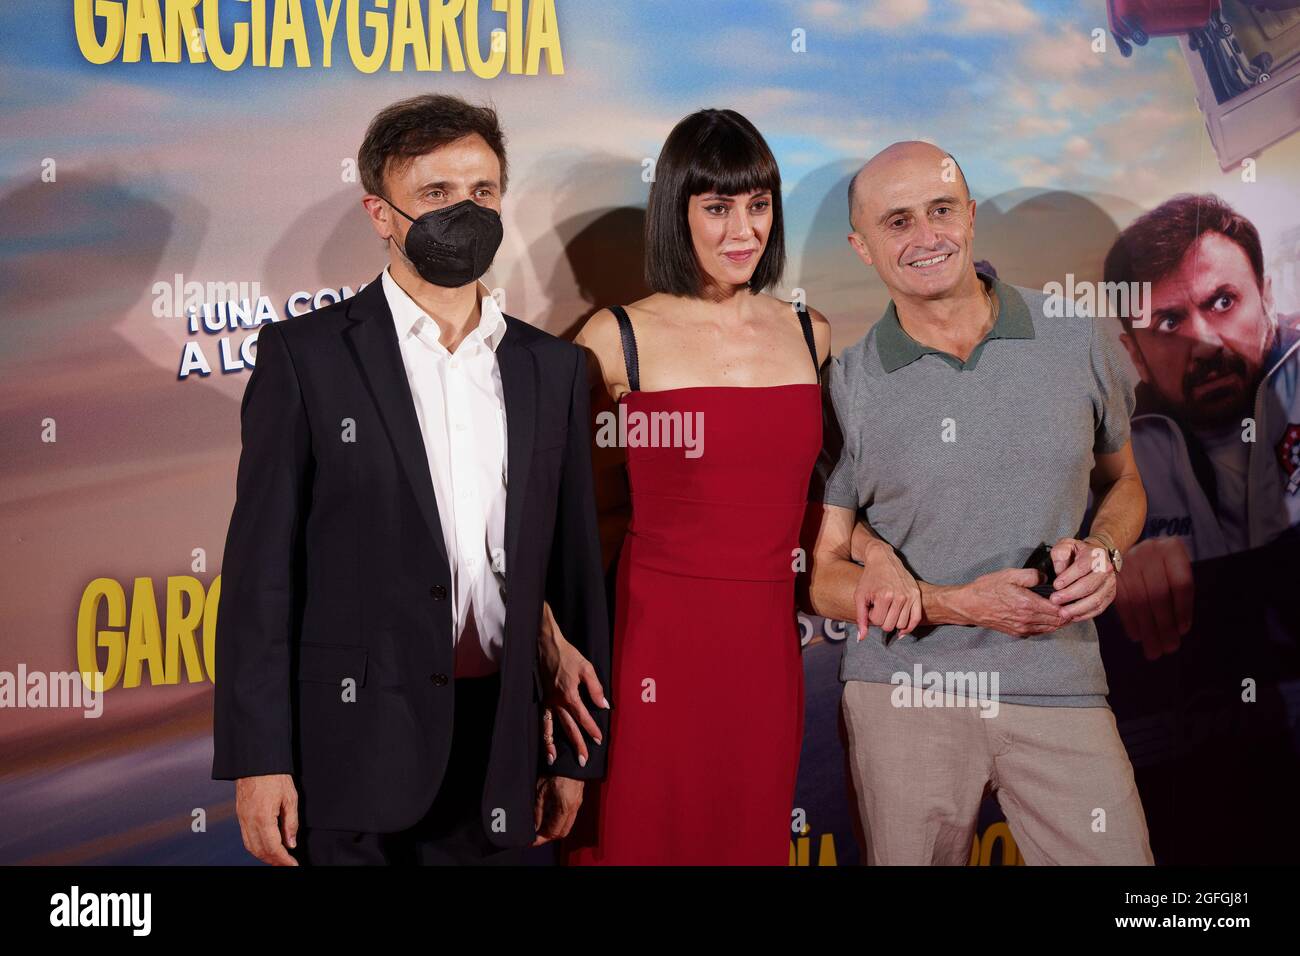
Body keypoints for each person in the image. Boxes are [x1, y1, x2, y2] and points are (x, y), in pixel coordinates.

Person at [211, 93, 610, 865]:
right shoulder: (307, 358)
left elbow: (572, 567)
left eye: (483, 192)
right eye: (436, 194)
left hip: (503, 752)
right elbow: (261, 576)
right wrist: (260, 758)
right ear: (381, 213)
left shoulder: (551, 368)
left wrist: (574, 756)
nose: (466, 212)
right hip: (350, 757)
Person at [807, 140, 1154, 865]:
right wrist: (955, 603)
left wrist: (1105, 549)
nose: (927, 237)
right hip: (905, 699)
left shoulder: (1072, 335)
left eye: (940, 211)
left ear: (969, 216)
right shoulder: (847, 387)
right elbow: (826, 576)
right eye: (897, 222)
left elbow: (1123, 482)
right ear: (862, 246)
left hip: (1058, 683)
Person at [555, 108, 829, 865]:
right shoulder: (616, 339)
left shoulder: (812, 333)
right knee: (650, 833)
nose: (744, 231)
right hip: (657, 640)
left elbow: (828, 500)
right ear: (677, 213)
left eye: (758, 205)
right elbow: (554, 512)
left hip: (768, 646)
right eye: (717, 208)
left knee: (749, 833)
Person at [1102, 193, 1300, 660]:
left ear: (1267, 298)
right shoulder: (1108, 457)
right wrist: (1110, 560)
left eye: (1224, 301)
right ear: (1136, 355)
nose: (1206, 343)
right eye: (1169, 322)